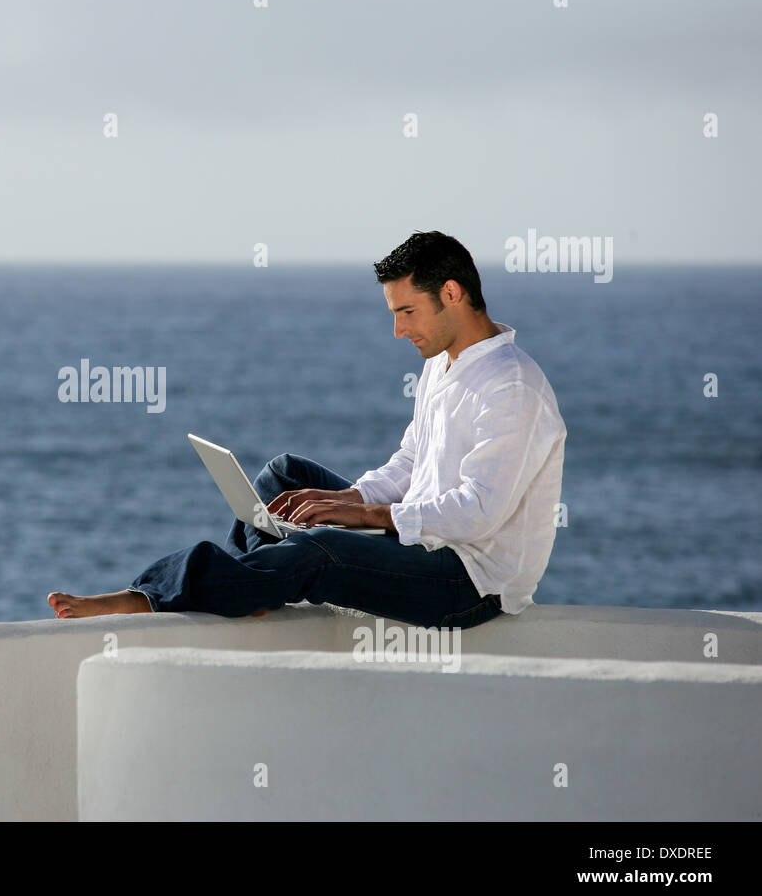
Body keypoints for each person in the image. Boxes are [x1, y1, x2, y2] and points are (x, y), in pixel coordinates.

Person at [47, 231, 566, 629]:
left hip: (468, 582)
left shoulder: (511, 386)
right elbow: (411, 464)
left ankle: (151, 596)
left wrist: (360, 516)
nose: (399, 330)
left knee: (319, 548)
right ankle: (249, 585)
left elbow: (478, 514)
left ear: (452, 293)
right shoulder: (444, 364)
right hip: (425, 546)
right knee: (285, 475)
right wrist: (350, 496)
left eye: (407, 312)